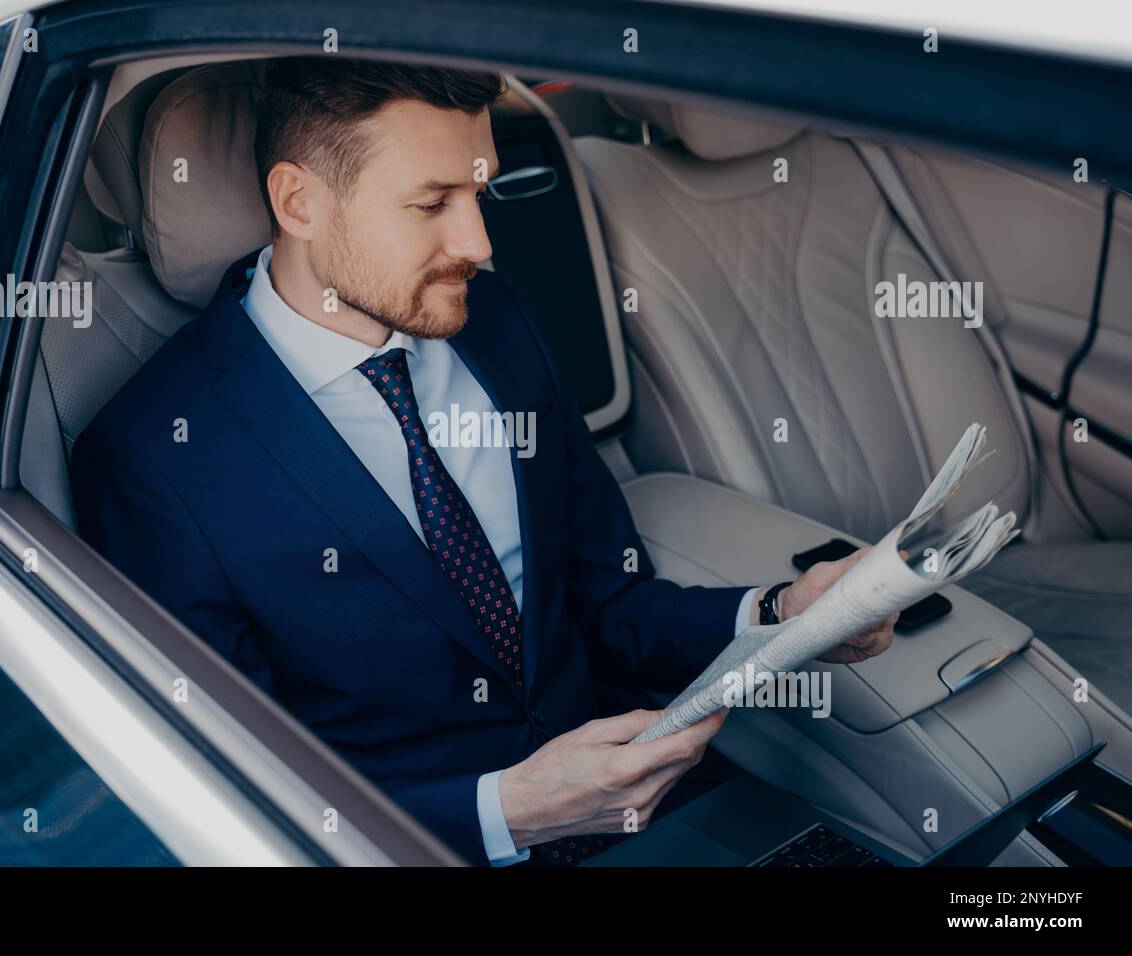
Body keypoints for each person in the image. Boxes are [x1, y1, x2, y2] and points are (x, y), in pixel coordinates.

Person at [71, 56, 896, 866]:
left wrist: (782, 616)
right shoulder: (155, 458)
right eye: (432, 203)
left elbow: (605, 599)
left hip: (653, 811)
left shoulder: (493, 323)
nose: (479, 241)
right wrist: (510, 813)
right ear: (298, 202)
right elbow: (230, 788)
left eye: (479, 191)